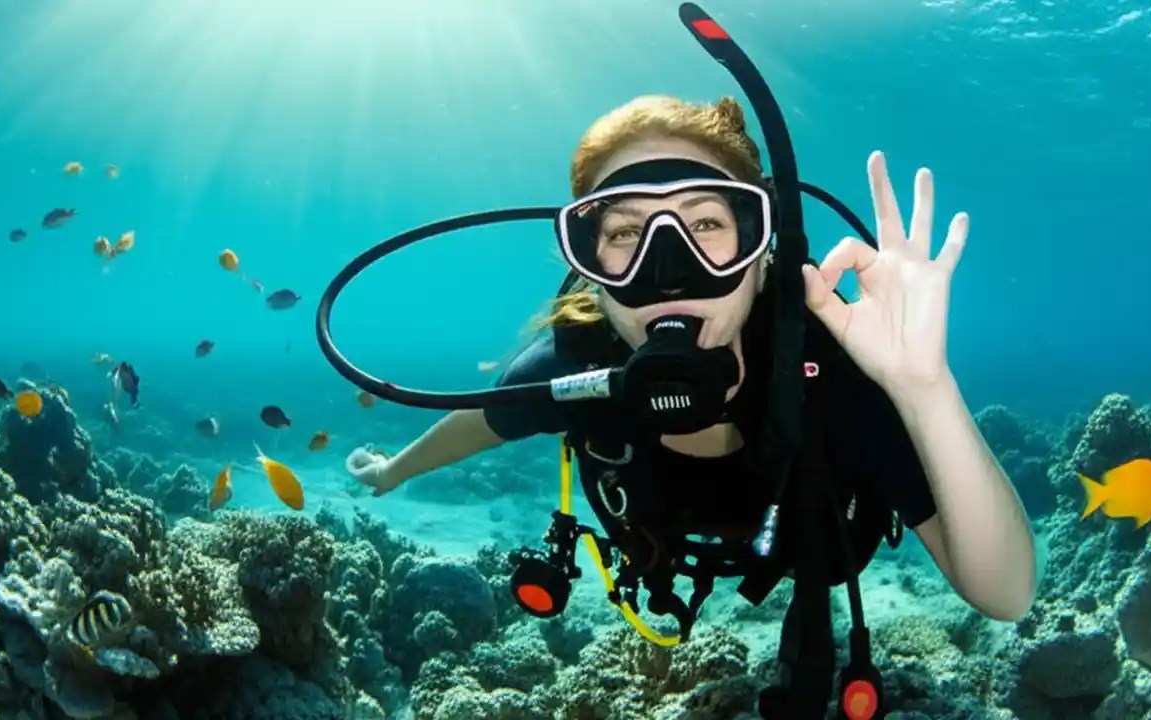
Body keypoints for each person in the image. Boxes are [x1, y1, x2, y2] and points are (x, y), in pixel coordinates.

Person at [343, 93, 1036, 717]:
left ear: (760, 251)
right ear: (592, 265)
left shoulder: (828, 362)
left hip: (813, 532)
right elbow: (488, 418)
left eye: (705, 224)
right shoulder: (583, 362)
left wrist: (925, 388)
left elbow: (1006, 596)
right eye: (623, 233)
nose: (667, 268)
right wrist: (394, 472)